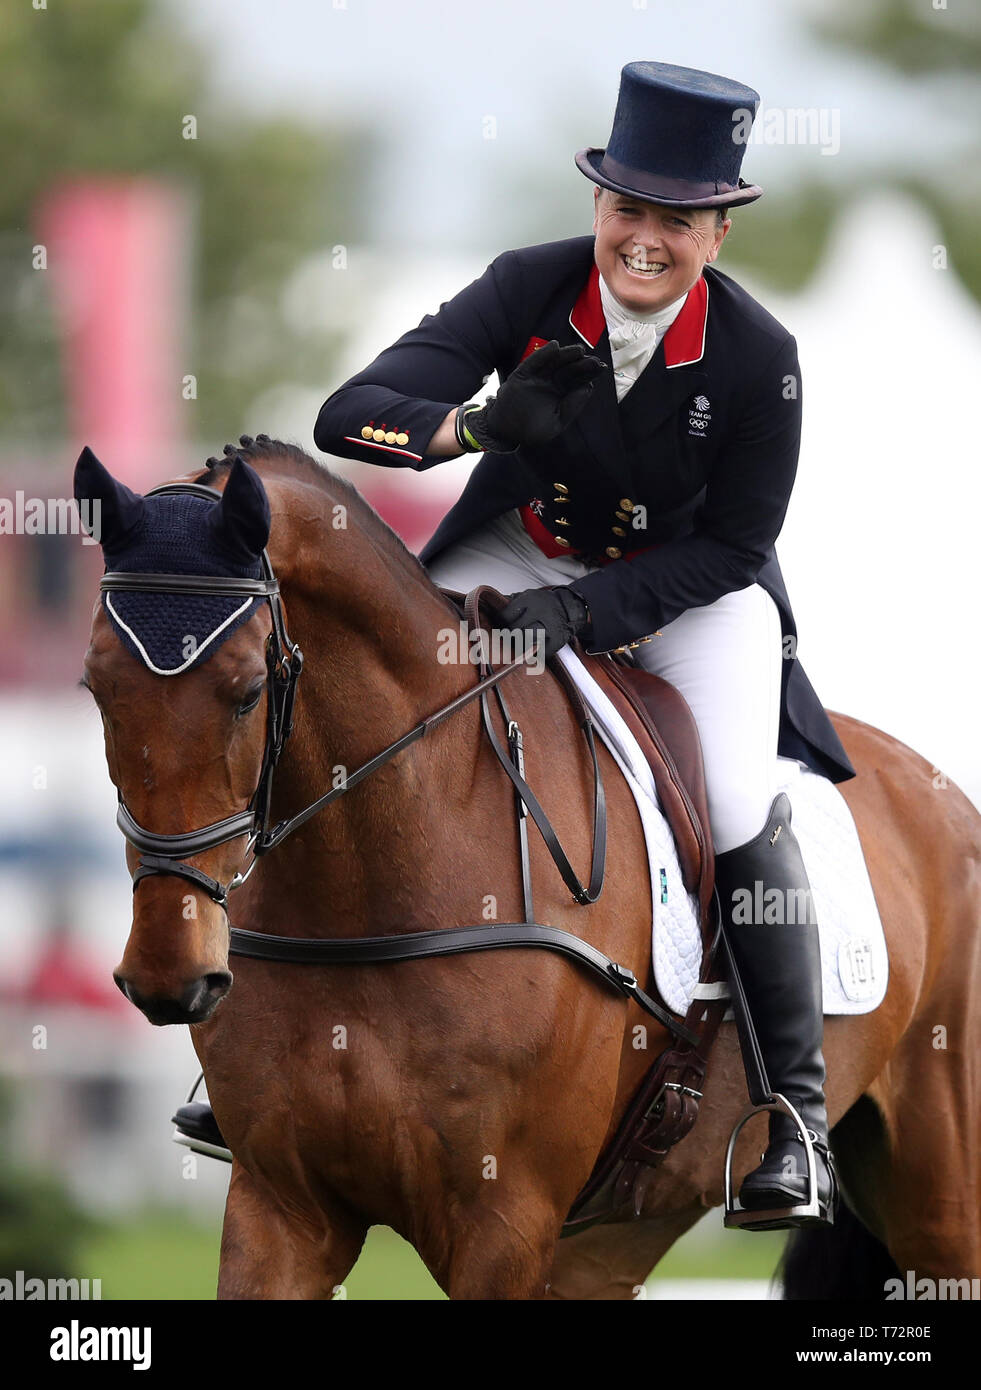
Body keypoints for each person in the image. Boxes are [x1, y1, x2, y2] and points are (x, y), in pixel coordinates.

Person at [311, 61, 853, 1227]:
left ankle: (793, 1116)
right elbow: (344, 411)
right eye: (626, 211)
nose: (642, 240)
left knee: (741, 798)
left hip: (695, 589)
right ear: (597, 206)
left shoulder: (763, 360)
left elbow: (734, 548)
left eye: (674, 219)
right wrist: (470, 425)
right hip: (525, 546)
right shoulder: (532, 283)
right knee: (369, 699)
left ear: (716, 228)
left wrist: (588, 618)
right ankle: (268, 1028)